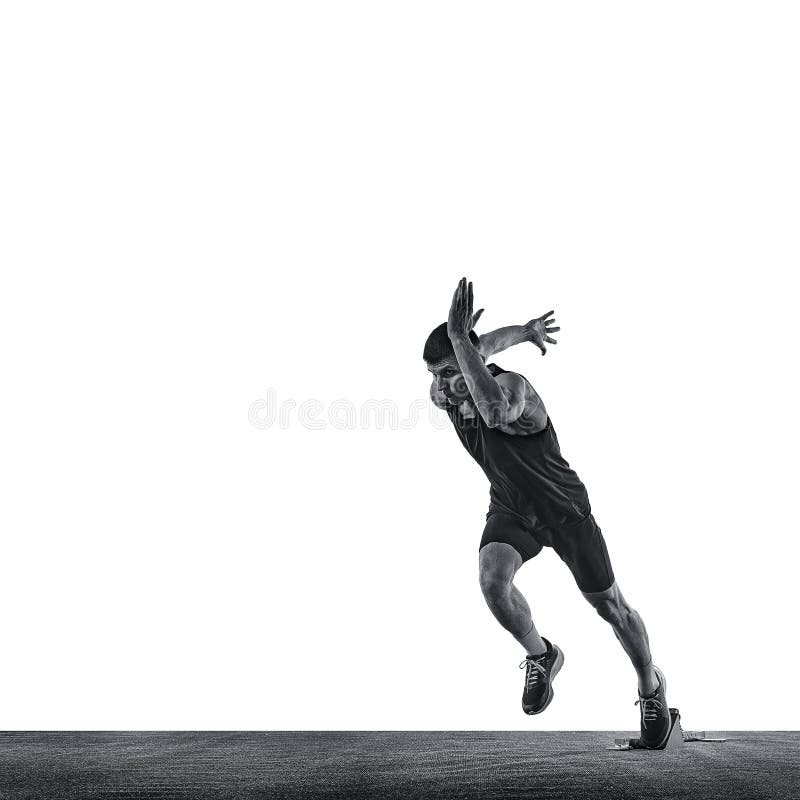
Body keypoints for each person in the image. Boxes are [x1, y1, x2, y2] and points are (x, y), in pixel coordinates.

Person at [424, 277, 671, 748]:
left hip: (564, 510)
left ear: (470, 363)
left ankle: (650, 686)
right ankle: (542, 655)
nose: (437, 387)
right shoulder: (446, 390)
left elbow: (495, 412)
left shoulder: (515, 390)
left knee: (612, 608)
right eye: (433, 373)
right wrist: (525, 329)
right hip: (511, 507)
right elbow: (485, 343)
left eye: (446, 372)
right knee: (492, 582)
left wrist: (462, 341)